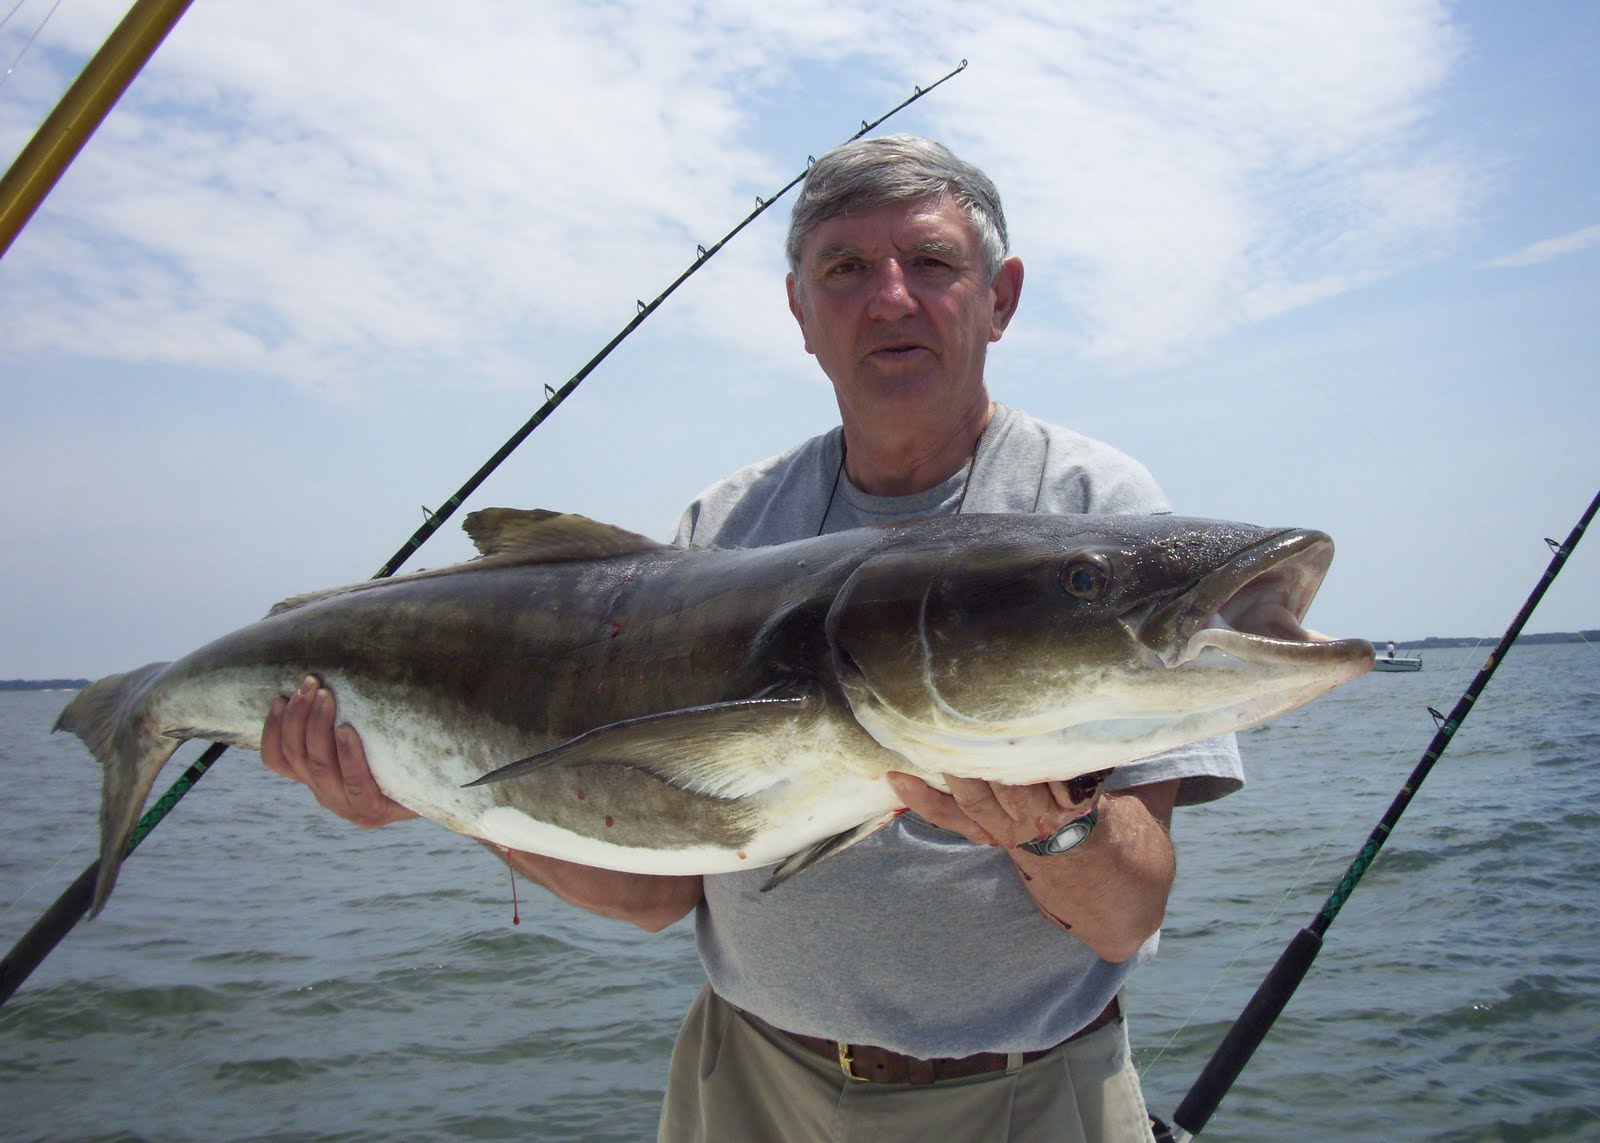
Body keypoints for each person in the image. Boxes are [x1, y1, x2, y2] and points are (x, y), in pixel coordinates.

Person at [261, 135, 1242, 1143]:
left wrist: (1052, 825)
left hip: (1026, 1097)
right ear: (801, 315)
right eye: (846, 270)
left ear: (1001, 296)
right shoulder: (722, 529)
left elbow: (1125, 914)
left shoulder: (1093, 514)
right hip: (745, 1085)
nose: (892, 299)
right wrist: (425, 788)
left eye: (934, 263)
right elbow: (651, 889)